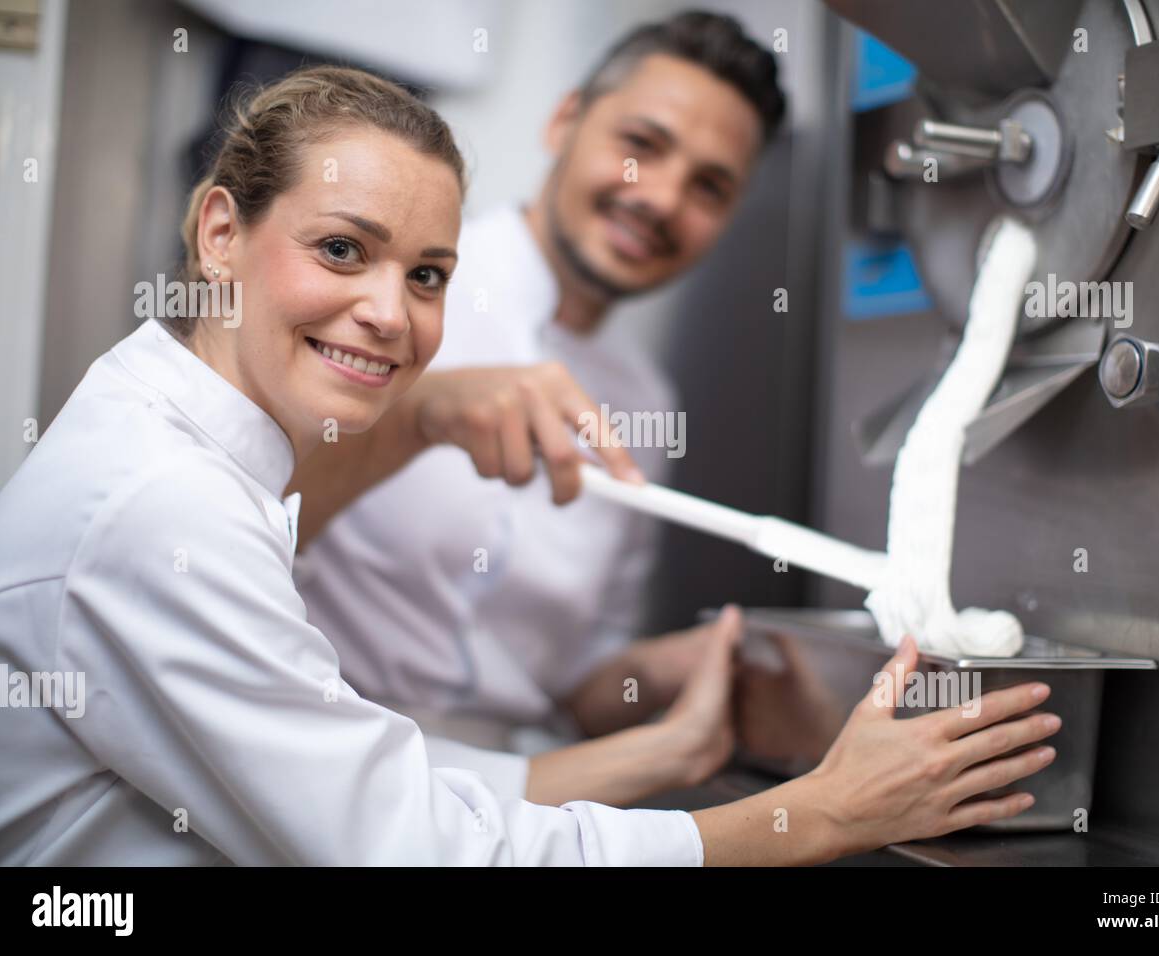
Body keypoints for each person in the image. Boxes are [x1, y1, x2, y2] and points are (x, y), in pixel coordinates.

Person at [0, 65, 1060, 866]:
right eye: (341, 249)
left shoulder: (185, 450)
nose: (389, 315)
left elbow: (345, 774)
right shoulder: (164, 504)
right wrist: (817, 814)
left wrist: (662, 736)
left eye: (428, 275)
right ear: (220, 231)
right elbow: (404, 844)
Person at [291, 11, 791, 806]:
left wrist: (670, 668)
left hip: (514, 802)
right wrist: (423, 412)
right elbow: (242, 514)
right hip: (310, 764)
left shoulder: (645, 404)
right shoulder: (394, 296)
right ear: (565, 120)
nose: (660, 198)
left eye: (709, 186)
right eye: (642, 146)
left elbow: (576, 690)